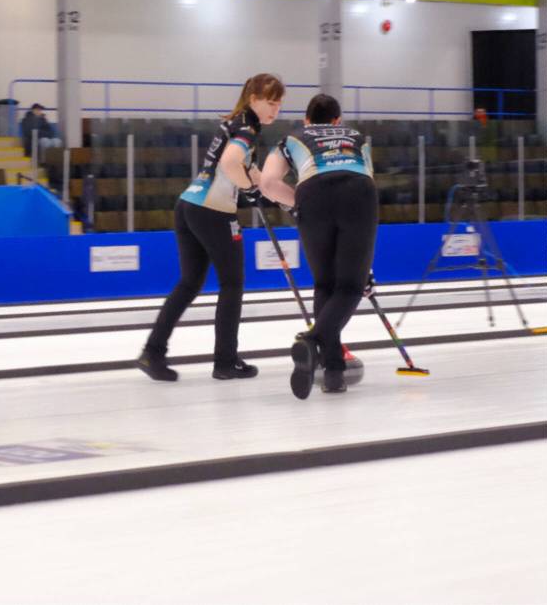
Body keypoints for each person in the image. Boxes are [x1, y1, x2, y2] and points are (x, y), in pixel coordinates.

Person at [137, 73, 284, 382]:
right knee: (232, 284)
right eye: (271, 103)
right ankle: (225, 361)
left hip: (188, 204)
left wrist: (274, 194)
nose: (276, 110)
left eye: (279, 104)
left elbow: (248, 169)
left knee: (189, 283)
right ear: (253, 98)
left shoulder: (235, 123)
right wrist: (249, 190)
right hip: (213, 211)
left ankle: (153, 352)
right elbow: (231, 165)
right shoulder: (246, 128)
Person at [259, 93, 377, 399]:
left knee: (324, 284)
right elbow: (367, 175)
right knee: (351, 286)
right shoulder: (356, 137)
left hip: (311, 194)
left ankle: (334, 372)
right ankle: (312, 343)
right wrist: (365, 265)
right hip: (358, 191)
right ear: (338, 120)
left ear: (306, 120)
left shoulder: (292, 137)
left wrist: (298, 205)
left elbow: (268, 183)